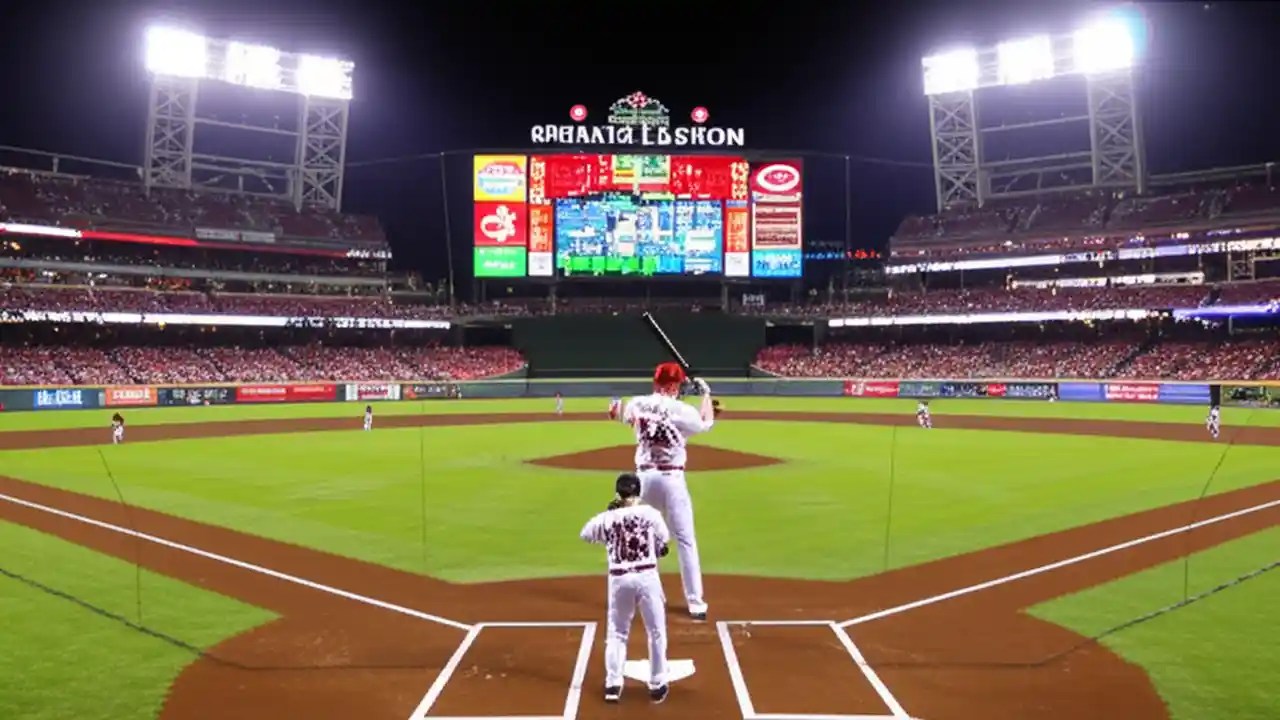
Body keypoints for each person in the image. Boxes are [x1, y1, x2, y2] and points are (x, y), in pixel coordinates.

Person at [609, 362, 715, 620]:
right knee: (685, 541)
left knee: (640, 538)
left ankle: (635, 597)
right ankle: (696, 604)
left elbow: (615, 411)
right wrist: (706, 394)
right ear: (677, 385)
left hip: (643, 480)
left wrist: (614, 403)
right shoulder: (682, 409)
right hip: (671, 479)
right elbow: (706, 422)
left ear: (655, 382)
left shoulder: (637, 403)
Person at [580, 472, 671, 704]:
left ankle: (613, 684)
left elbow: (586, 534)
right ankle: (658, 683)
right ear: (638, 493)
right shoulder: (650, 514)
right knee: (656, 631)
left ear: (618, 493)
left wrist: (610, 521)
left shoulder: (607, 518)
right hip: (647, 577)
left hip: (619, 580)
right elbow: (665, 539)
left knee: (617, 633)